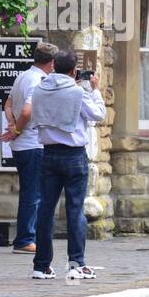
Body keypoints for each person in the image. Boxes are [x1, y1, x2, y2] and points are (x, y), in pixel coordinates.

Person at [30, 51, 105, 279]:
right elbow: (98, 115)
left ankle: (41, 266)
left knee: (45, 209)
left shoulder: (39, 89)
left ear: (53, 66)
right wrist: (95, 90)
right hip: (73, 155)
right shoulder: (77, 92)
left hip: (48, 153)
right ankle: (76, 264)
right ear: (74, 71)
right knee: (74, 210)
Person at [0, 41, 58, 253]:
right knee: (33, 193)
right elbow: (27, 111)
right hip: (32, 143)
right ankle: (25, 239)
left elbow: (7, 104)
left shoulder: (22, 76)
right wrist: (17, 129)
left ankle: (27, 237)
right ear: (51, 62)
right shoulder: (38, 81)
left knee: (29, 191)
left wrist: (13, 125)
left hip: (21, 145)